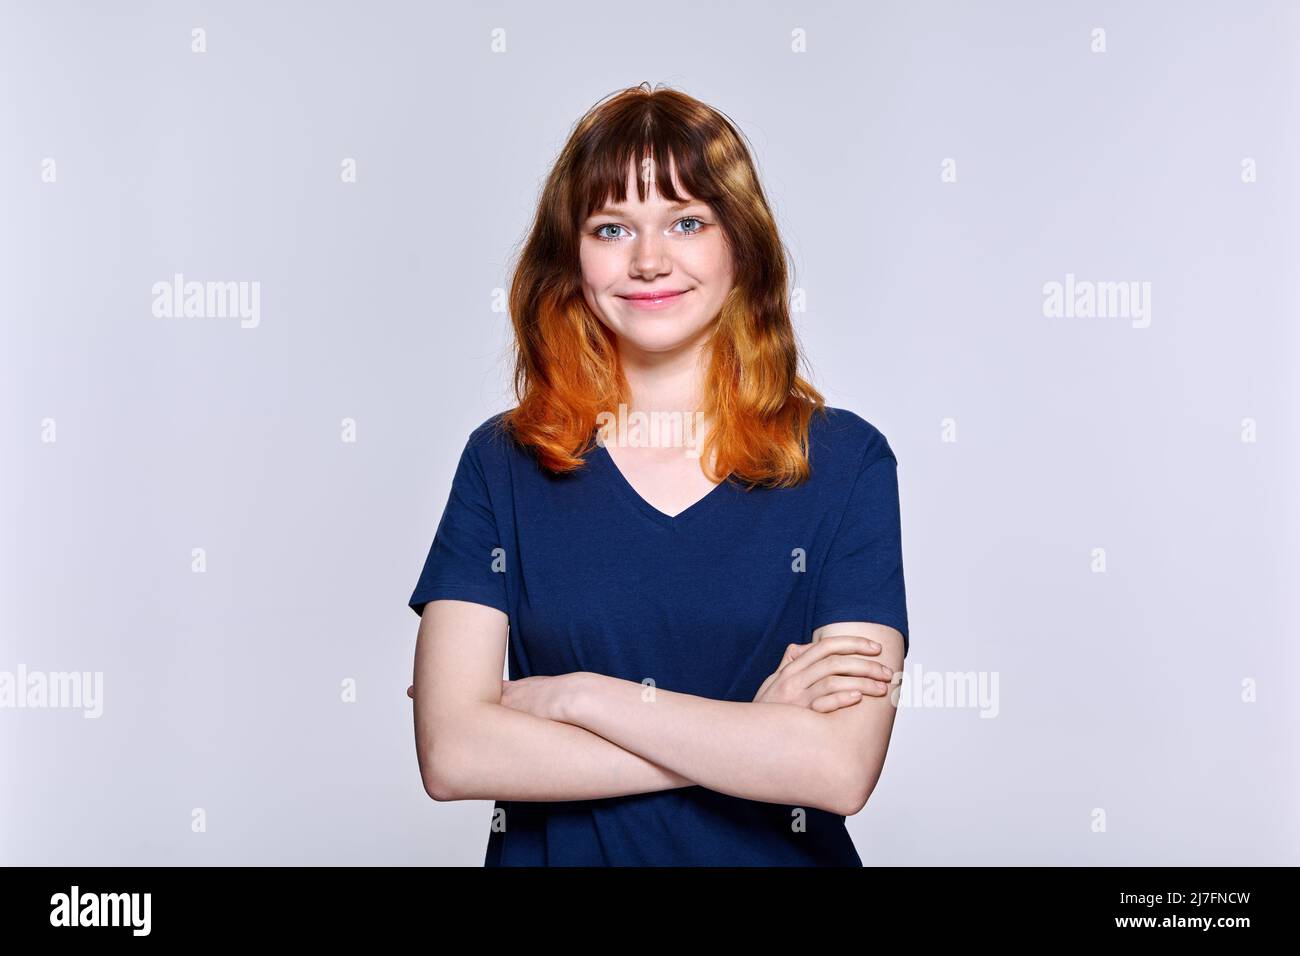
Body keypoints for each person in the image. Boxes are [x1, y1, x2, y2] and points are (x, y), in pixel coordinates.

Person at [406, 83, 909, 866]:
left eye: (686, 221)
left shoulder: (844, 462)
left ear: (738, 242)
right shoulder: (502, 461)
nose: (648, 261)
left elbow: (838, 771)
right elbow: (454, 753)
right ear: (571, 255)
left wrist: (575, 697)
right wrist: (752, 734)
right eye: (612, 227)